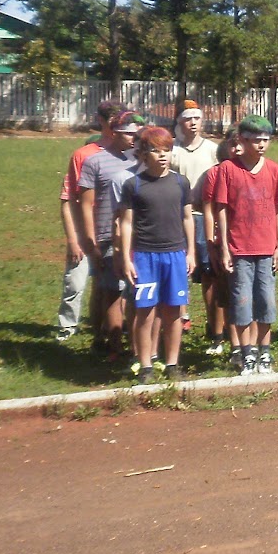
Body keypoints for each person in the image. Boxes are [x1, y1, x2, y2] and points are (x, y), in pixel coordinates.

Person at [114, 126, 195, 385]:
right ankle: (146, 364)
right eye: (155, 150)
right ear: (143, 154)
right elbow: (126, 223)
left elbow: (187, 218)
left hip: (175, 255)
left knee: (174, 313)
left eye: (167, 150)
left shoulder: (181, 182)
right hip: (145, 257)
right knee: (145, 312)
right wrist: (127, 257)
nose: (162, 155)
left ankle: (172, 364)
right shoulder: (133, 185)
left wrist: (191, 252)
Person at [211, 115, 278, 375]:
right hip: (239, 249)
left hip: (267, 249)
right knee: (242, 302)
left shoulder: (274, 170)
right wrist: (224, 247)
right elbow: (221, 209)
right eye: (255, 140)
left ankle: (264, 351)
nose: (261, 145)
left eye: (265, 140)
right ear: (241, 141)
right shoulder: (227, 170)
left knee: (266, 301)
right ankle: (247, 353)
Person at [78, 109, 146, 360]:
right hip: (108, 235)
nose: (134, 138)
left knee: (138, 291)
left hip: (141, 236)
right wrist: (90, 241)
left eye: (138, 134)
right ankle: (113, 344)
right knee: (111, 291)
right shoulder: (95, 161)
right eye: (129, 134)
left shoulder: (142, 160)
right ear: (114, 132)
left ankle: (137, 345)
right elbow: (85, 203)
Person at [55, 98, 119, 342]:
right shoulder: (83, 155)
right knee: (75, 284)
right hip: (85, 233)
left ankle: (102, 330)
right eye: (111, 119)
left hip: (114, 233)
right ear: (100, 121)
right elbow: (68, 199)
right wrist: (73, 239)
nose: (116, 125)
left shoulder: (130, 154)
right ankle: (67, 327)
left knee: (108, 286)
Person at [170, 100, 221, 349]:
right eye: (187, 118)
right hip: (174, 217)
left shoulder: (212, 150)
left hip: (203, 216)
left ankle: (215, 326)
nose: (192, 123)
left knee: (208, 272)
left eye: (197, 118)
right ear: (179, 122)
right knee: (177, 271)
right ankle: (180, 317)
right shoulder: (172, 150)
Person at [200, 130, 243, 359]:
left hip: (248, 242)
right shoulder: (214, 174)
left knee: (246, 295)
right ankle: (230, 342)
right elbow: (208, 211)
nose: (236, 149)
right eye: (233, 145)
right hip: (223, 243)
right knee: (226, 295)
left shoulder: (250, 172)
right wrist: (210, 244)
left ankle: (250, 345)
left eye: (240, 145)